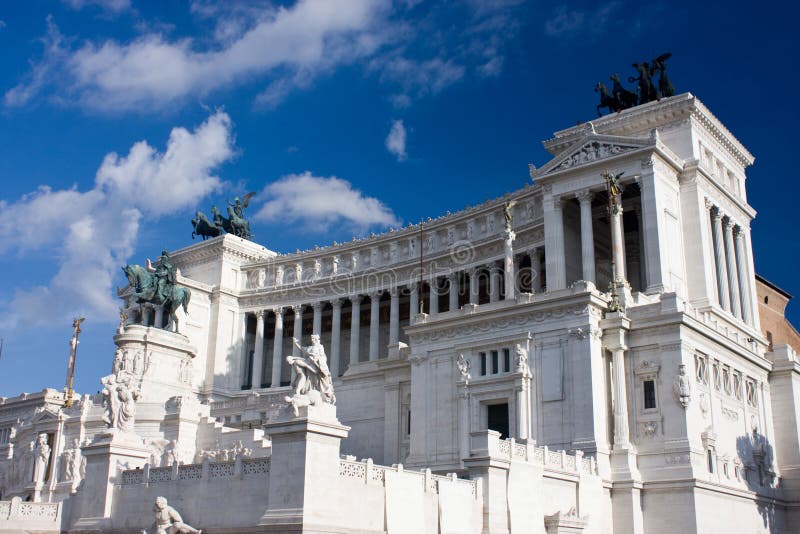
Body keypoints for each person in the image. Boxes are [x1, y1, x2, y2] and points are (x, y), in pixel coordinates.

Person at [287, 335, 335, 404]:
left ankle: (319, 393)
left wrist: (315, 357)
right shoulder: (309, 347)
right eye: (311, 338)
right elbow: (302, 349)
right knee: (310, 379)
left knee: (317, 379)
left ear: (316, 339)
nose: (312, 339)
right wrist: (296, 343)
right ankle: (311, 391)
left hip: (316, 364)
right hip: (310, 364)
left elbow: (322, 355)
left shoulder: (320, 346)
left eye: (313, 338)